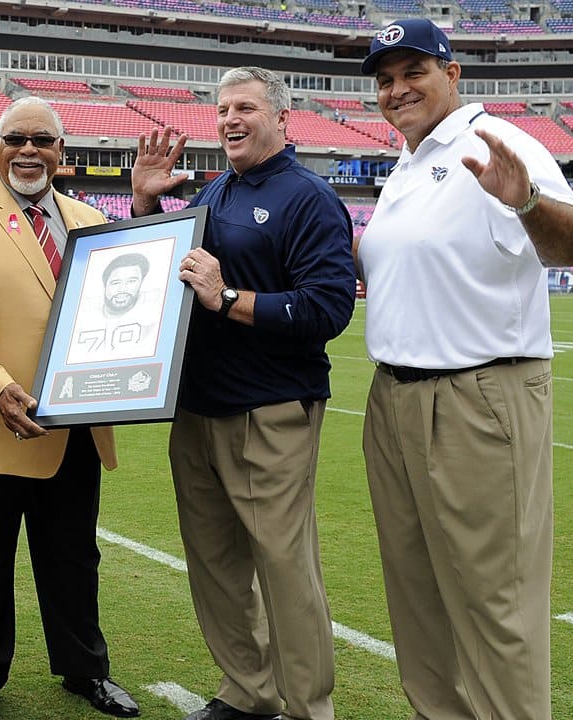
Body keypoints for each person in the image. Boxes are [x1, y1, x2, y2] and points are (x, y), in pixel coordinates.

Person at [357, 20, 573, 719]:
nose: (398, 89)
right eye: (385, 80)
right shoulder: (407, 162)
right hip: (395, 396)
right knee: (417, 597)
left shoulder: (495, 140)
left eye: (414, 72)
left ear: (452, 73)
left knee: (496, 603)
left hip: (478, 394)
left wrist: (526, 202)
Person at [130, 66, 356, 720]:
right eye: (223, 108)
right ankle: (248, 690)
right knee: (214, 564)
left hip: (270, 408)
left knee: (284, 567)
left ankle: (307, 706)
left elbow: (329, 308)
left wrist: (229, 297)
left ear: (281, 118)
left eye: (246, 108)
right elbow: (165, 275)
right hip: (196, 405)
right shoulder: (215, 191)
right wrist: (144, 208)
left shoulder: (310, 198)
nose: (230, 118)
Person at [0, 97, 140, 720]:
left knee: (74, 559)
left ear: (61, 151)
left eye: (42, 140)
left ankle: (85, 669)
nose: (28, 150)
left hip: (75, 428)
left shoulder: (90, 219)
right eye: (16, 139)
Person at [68, 251, 161, 364]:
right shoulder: (79, 314)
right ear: (105, 285)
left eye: (131, 281)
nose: (122, 289)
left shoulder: (155, 309)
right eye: (116, 283)